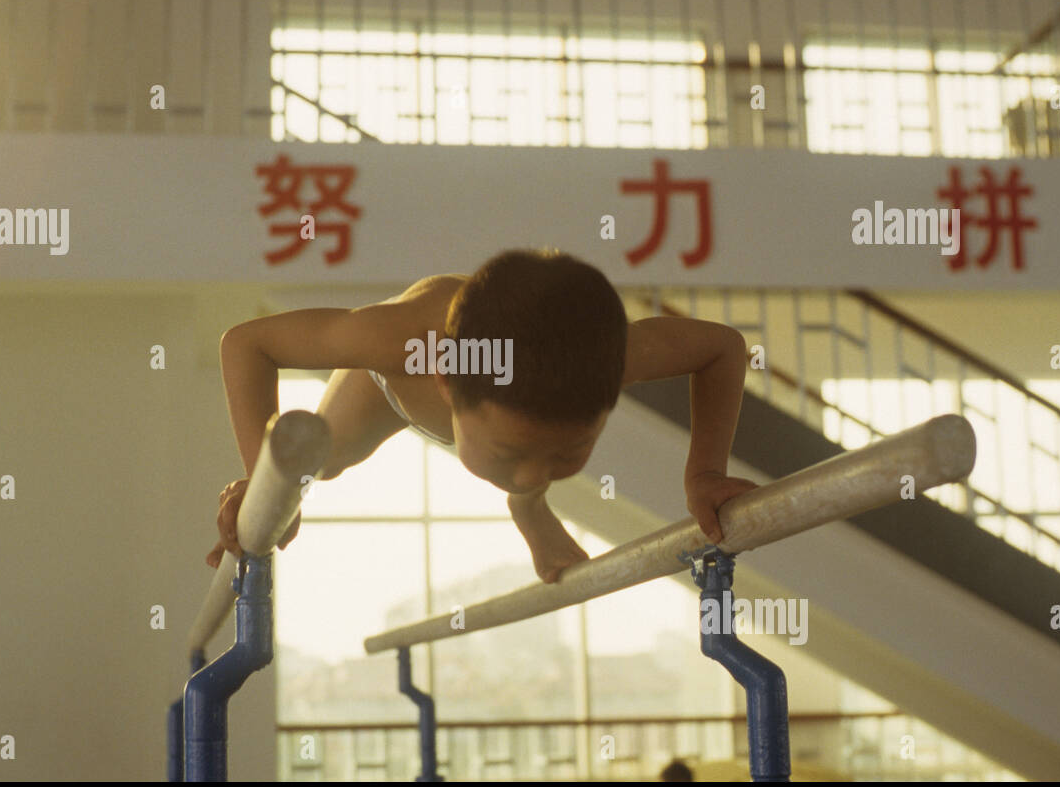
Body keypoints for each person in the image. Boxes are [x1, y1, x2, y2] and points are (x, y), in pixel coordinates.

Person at [207, 247, 757, 584]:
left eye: (570, 452)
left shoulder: (612, 356)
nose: (535, 471)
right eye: (510, 455)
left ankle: (528, 509)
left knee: (530, 463)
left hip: (484, 381)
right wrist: (263, 480)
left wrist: (704, 473)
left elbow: (723, 349)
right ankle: (528, 497)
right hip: (389, 388)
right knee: (322, 465)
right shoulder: (398, 341)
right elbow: (247, 344)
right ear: (447, 383)